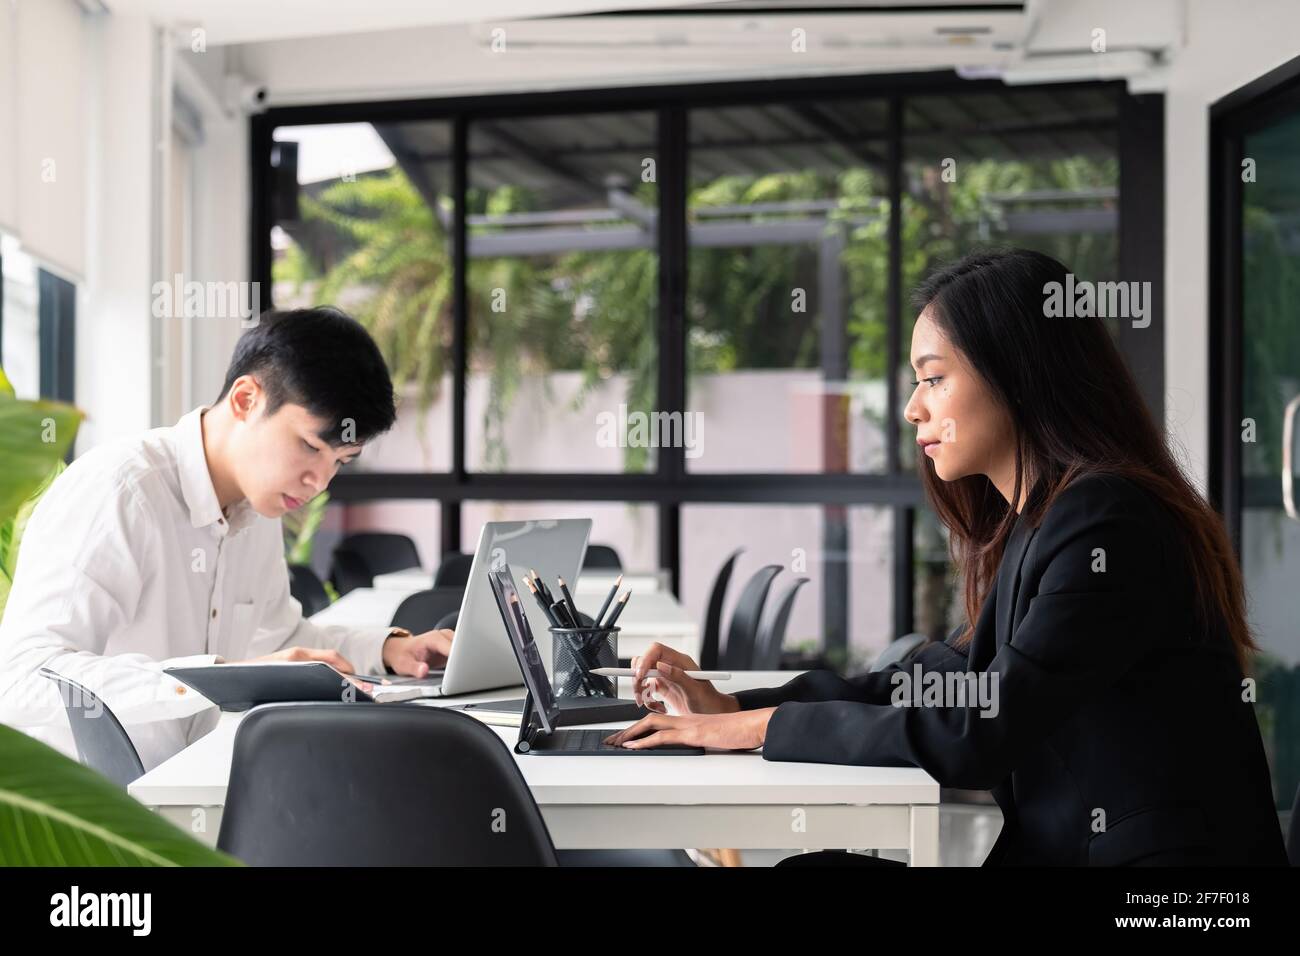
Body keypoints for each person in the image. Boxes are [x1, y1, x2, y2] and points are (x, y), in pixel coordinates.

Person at [605, 249, 1288, 866]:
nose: (911, 409)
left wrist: (745, 728)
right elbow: (943, 680)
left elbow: (977, 729)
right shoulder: (1045, 521)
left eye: (932, 379)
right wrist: (732, 708)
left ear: (1018, 376)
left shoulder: (1106, 521)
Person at [0, 307, 452, 771]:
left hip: (201, 784)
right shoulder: (119, 491)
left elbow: (283, 635)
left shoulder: (258, 507)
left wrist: (387, 650)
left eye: (340, 461)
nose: (319, 481)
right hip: (105, 815)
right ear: (245, 399)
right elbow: (17, 678)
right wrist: (211, 681)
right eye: (310, 447)